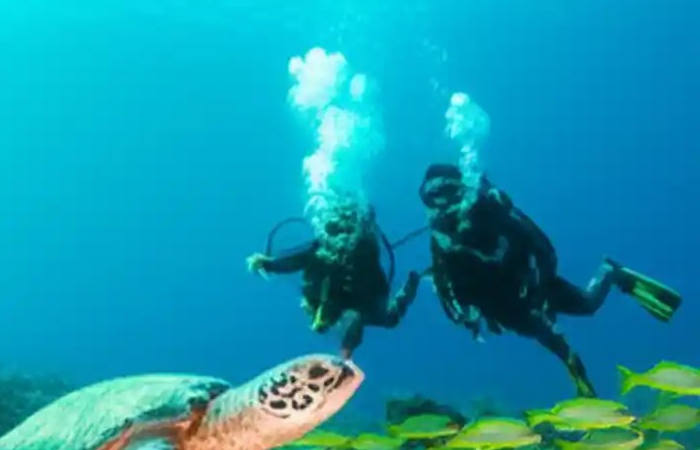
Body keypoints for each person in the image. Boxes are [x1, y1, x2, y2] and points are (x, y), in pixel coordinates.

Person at [418, 163, 682, 396]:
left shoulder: (491, 213)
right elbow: (443, 284)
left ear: (460, 189)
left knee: (584, 309)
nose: (439, 204)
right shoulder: (440, 239)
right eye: (431, 197)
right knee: (550, 337)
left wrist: (539, 289)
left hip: (532, 288)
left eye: (444, 192)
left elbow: (540, 246)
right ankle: (585, 393)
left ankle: (610, 273)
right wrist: (465, 317)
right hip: (502, 306)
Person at [247, 195, 422, 358]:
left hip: (352, 281)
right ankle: (351, 214)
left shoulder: (326, 262)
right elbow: (299, 260)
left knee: (328, 259)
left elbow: (298, 260)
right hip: (356, 284)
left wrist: (268, 264)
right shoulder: (373, 311)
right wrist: (411, 285)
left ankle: (350, 214)